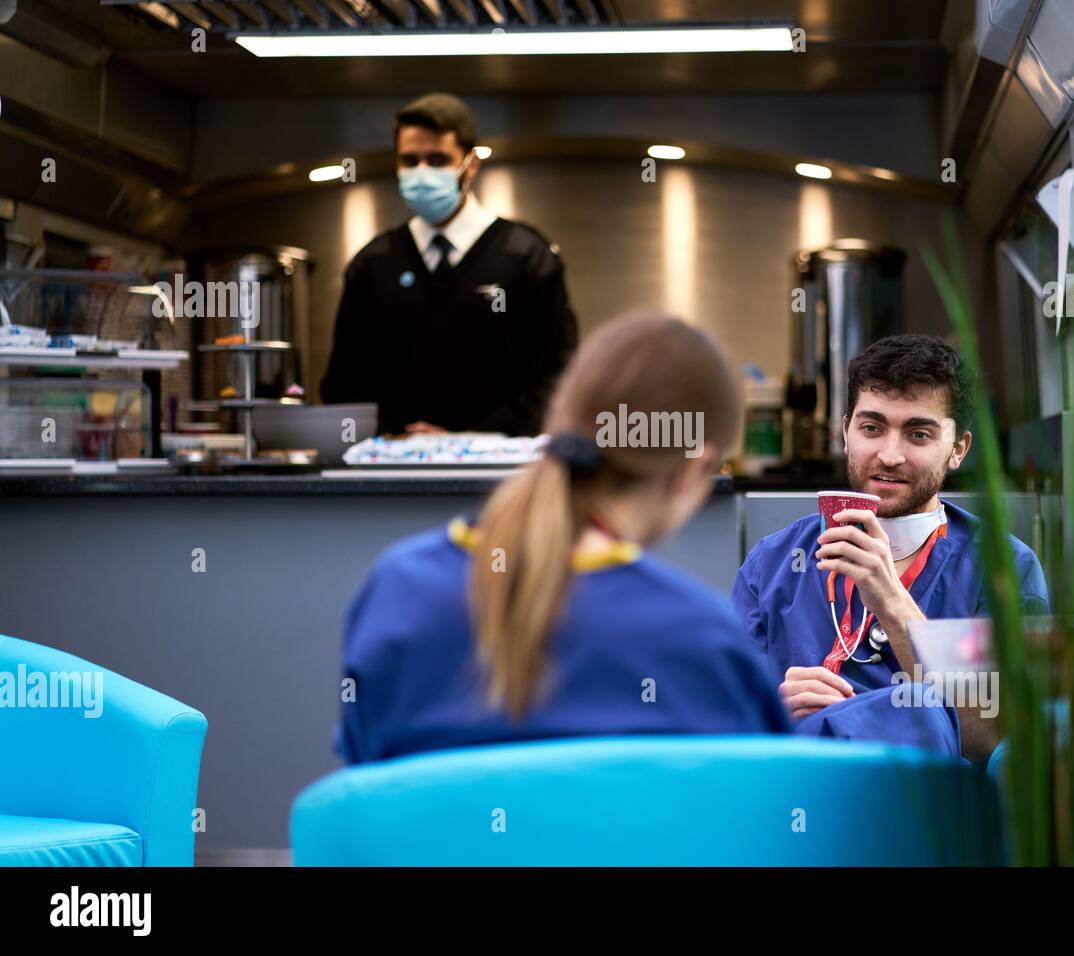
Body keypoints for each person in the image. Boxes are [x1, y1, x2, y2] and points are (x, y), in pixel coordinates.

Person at [335, 311, 789, 764]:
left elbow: (364, 784)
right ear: (691, 471)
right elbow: (758, 814)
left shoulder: (396, 589)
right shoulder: (705, 641)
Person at [731, 334, 1048, 761]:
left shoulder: (1005, 570)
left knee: (927, 716)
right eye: (872, 428)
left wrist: (892, 601)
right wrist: (774, 710)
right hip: (796, 804)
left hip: (926, 816)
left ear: (958, 449)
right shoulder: (772, 565)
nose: (889, 455)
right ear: (846, 432)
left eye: (918, 433)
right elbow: (723, 730)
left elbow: (996, 743)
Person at [319, 92, 577, 436]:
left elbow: (559, 378)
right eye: (410, 161)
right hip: (392, 468)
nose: (422, 172)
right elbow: (344, 382)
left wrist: (470, 440)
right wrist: (395, 437)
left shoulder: (527, 257)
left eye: (438, 160)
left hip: (502, 471)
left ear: (470, 165)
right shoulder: (373, 264)